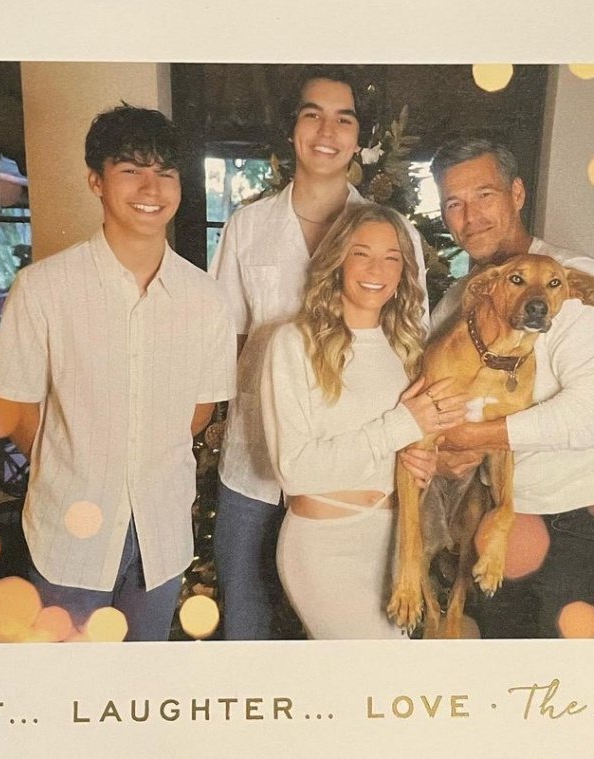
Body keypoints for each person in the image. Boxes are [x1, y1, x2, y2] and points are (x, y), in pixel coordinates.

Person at [0, 105, 236, 641]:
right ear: (96, 180)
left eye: (165, 172)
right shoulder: (44, 288)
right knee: (71, 684)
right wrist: (77, 468)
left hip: (161, 533)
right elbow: (16, 407)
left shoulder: (206, 299)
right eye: (131, 170)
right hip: (69, 535)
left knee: (139, 683)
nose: (151, 188)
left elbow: (198, 412)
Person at [208, 67, 430, 639]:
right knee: (248, 627)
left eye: (344, 119)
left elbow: (411, 351)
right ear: (292, 130)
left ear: (359, 137)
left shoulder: (392, 234)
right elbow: (226, 342)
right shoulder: (247, 227)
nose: (327, 131)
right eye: (313, 115)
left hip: (360, 482)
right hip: (255, 467)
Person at [429, 135, 594, 638]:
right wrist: (442, 457)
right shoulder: (459, 301)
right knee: (502, 677)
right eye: (454, 204)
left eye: (484, 195)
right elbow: (432, 404)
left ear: (517, 194)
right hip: (499, 521)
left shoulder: (572, 280)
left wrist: (471, 438)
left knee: (571, 684)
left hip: (581, 521)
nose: (470, 217)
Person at [260, 203, 463, 639]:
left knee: (380, 676)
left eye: (392, 258)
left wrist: (421, 463)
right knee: (375, 669)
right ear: (337, 259)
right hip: (324, 548)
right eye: (362, 254)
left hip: (394, 544)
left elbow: (407, 446)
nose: (377, 270)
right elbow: (296, 471)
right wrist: (401, 425)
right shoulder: (294, 343)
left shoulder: (406, 347)